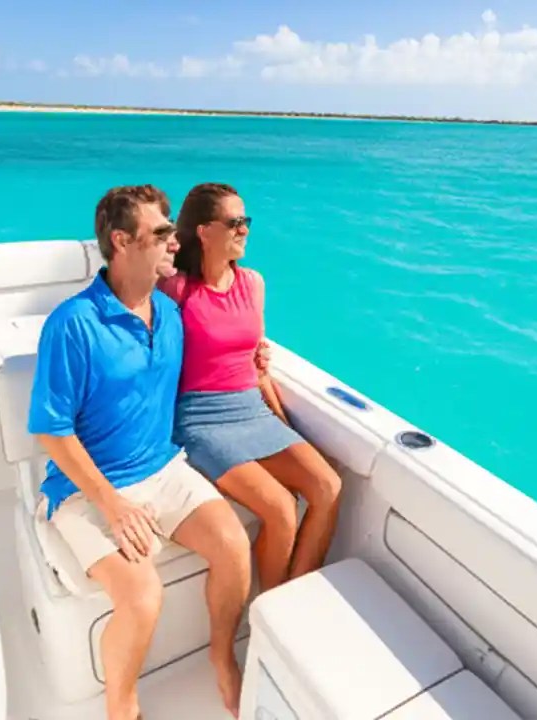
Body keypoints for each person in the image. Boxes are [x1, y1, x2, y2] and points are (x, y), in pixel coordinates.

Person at [27, 184, 251, 720]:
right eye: (162, 233)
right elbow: (51, 431)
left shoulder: (169, 316)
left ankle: (222, 658)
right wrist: (112, 504)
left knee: (234, 548)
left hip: (164, 470)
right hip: (87, 491)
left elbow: (211, 367)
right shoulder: (72, 323)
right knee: (143, 597)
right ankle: (121, 707)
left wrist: (256, 363)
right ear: (122, 242)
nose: (176, 243)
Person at [157, 182, 343, 594]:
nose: (245, 230)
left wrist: (286, 424)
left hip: (252, 411)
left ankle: (291, 601)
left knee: (328, 487)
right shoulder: (176, 290)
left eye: (247, 221)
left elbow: (257, 367)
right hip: (200, 419)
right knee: (280, 508)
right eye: (236, 222)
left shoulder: (253, 284)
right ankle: (268, 608)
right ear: (204, 231)